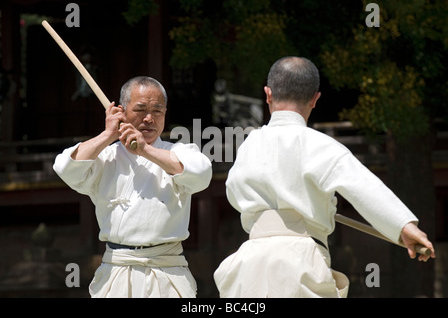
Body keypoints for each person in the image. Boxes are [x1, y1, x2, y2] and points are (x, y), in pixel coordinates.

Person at [213, 56, 436, 298]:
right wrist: (403, 225)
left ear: (268, 94)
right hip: (301, 261)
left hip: (250, 264)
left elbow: (233, 194)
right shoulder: (321, 146)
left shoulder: (248, 146)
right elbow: (363, 187)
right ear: (315, 99)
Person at [53, 76, 212, 297]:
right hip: (116, 271)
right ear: (122, 111)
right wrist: (108, 134)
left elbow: (201, 173)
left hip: (166, 271)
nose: (149, 118)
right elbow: (65, 168)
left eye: (157, 111)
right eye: (140, 109)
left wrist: (146, 150)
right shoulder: (105, 156)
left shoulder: (178, 152)